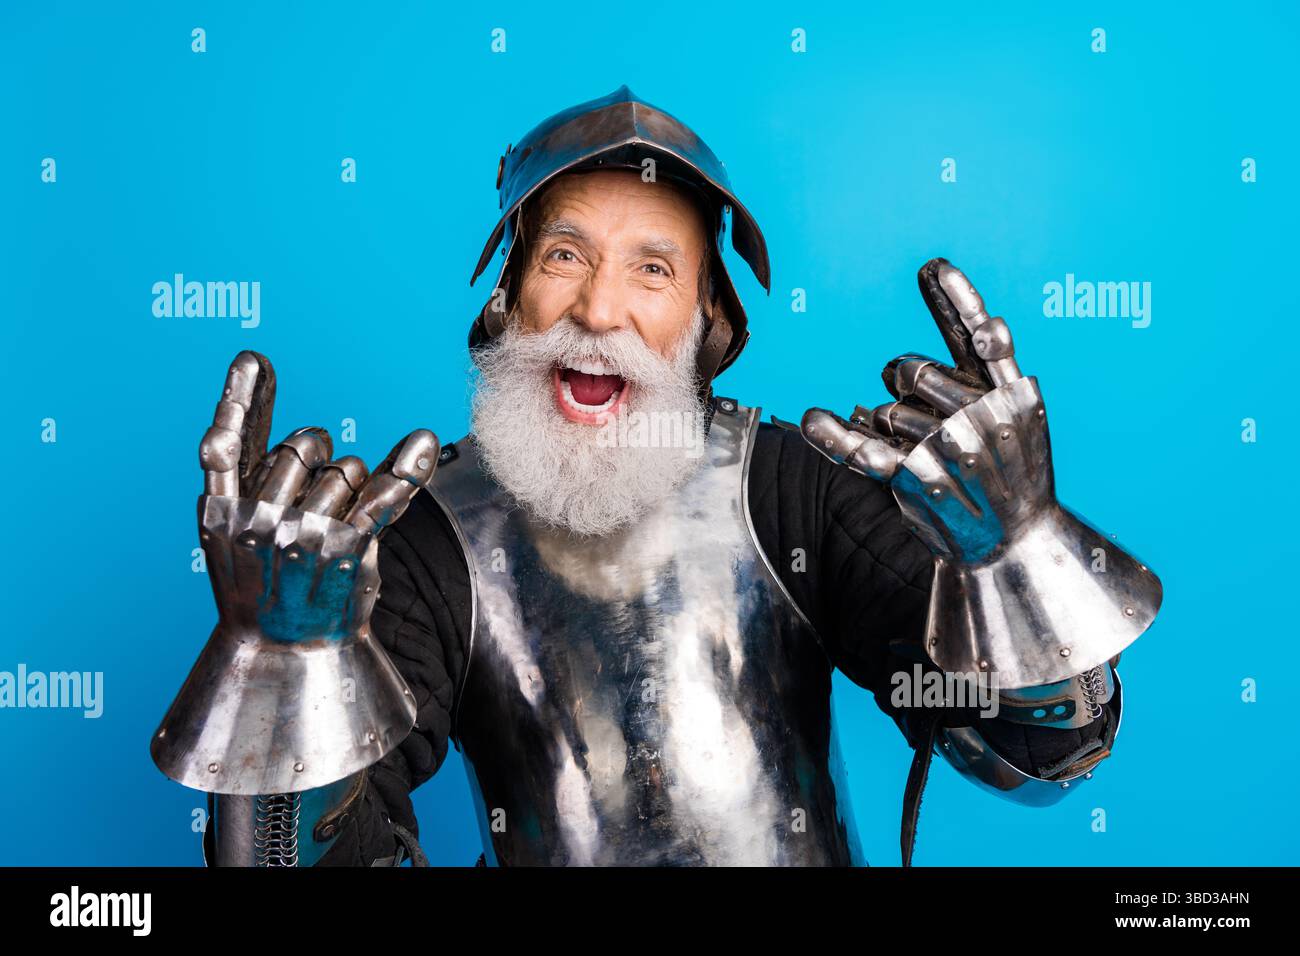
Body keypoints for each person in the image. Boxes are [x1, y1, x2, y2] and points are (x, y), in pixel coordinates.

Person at [152, 87, 1161, 867]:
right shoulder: (417, 540)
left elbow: (1042, 759)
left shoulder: (793, 489)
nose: (599, 310)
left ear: (703, 324)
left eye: (652, 268)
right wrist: (280, 667)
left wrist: (1016, 552)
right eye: (563, 255)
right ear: (507, 301)